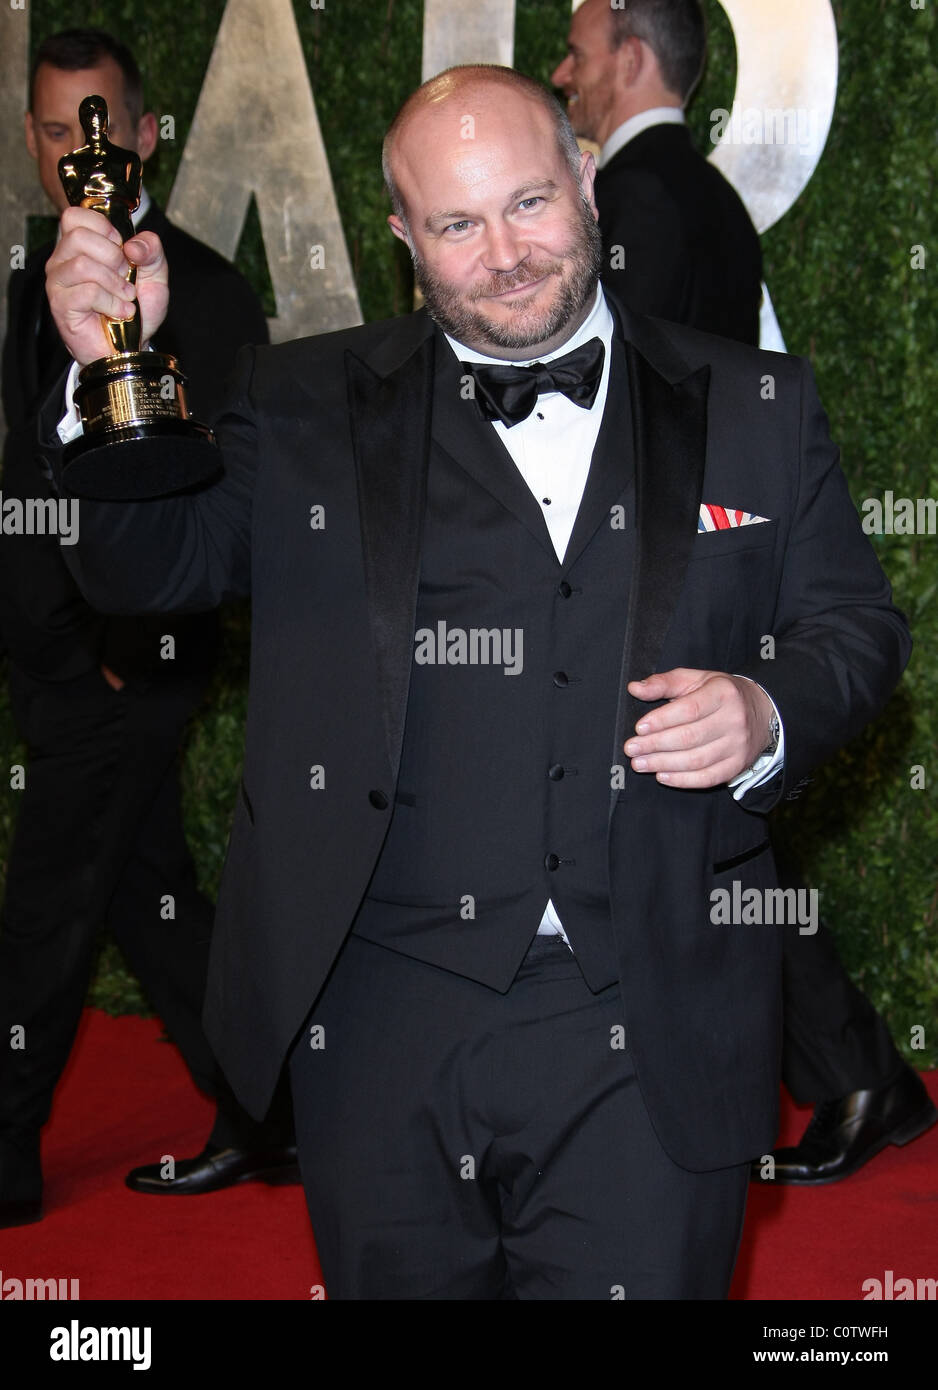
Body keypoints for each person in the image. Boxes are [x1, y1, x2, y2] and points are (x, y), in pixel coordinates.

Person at [41, 64, 910, 1298]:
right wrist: (98, 383)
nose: (502, 254)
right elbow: (146, 569)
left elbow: (854, 626)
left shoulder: (756, 405)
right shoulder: (305, 407)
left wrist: (768, 709)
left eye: (527, 204)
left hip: (647, 1012)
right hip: (381, 1019)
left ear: (589, 186)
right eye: (456, 224)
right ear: (403, 239)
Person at [553, 1, 937, 1181]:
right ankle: (862, 1071)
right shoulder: (703, 193)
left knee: (700, 842)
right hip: (726, 558)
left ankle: (849, 1071)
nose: (558, 72)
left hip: (670, 574)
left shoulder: (641, 199)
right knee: (723, 839)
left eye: (571, 49)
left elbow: (636, 407)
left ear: (628, 53)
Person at [0, 28, 295, 1231]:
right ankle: (271, 1105)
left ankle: (5, 1150)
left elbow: (220, 505)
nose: (83, 150)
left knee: (49, 901)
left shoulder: (207, 292)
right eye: (58, 127)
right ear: (32, 142)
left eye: (102, 125)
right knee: (140, 891)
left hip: (128, 662)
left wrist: (125, 648)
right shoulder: (34, 283)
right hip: (49, 646)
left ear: (146, 136)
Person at [551, 0, 762, 344]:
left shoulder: (635, 194)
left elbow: (612, 372)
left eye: (578, 55)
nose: (559, 75)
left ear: (631, 60)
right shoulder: (724, 199)